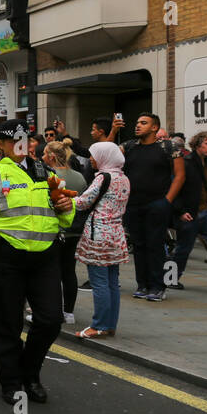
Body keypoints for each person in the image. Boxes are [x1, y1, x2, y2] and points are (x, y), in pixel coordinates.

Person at [0, 120, 75, 405]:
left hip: (45, 257)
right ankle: (12, 381)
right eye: (14, 141)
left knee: (50, 320)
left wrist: (66, 207)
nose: (21, 145)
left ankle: (30, 371)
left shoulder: (45, 172)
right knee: (7, 324)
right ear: (0, 145)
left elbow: (63, 211)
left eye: (25, 140)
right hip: (5, 258)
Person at [121, 113, 184, 301]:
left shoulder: (168, 146)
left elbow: (180, 176)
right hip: (133, 204)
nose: (137, 125)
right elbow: (105, 153)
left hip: (157, 204)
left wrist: (167, 201)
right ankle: (143, 284)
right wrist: (115, 130)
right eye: (137, 122)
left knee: (155, 246)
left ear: (154, 127)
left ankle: (158, 286)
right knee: (138, 246)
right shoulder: (129, 146)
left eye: (143, 123)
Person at [73, 142, 129, 339]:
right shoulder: (123, 178)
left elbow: (83, 203)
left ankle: (99, 325)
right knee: (112, 282)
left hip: (98, 235)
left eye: (94, 155)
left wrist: (64, 198)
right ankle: (110, 324)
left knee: (99, 283)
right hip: (116, 234)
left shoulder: (103, 178)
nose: (91, 159)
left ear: (105, 156)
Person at [170, 131, 207, 294]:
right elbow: (173, 189)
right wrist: (180, 212)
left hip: (206, 212)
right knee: (182, 250)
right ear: (197, 143)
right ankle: (170, 280)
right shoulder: (184, 162)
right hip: (189, 214)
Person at [43, 141, 87, 325]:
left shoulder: (49, 176)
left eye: (45, 154)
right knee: (69, 271)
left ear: (52, 156)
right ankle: (69, 312)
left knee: (51, 272)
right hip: (75, 231)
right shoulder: (79, 177)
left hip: (55, 230)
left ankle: (53, 310)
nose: (42, 158)